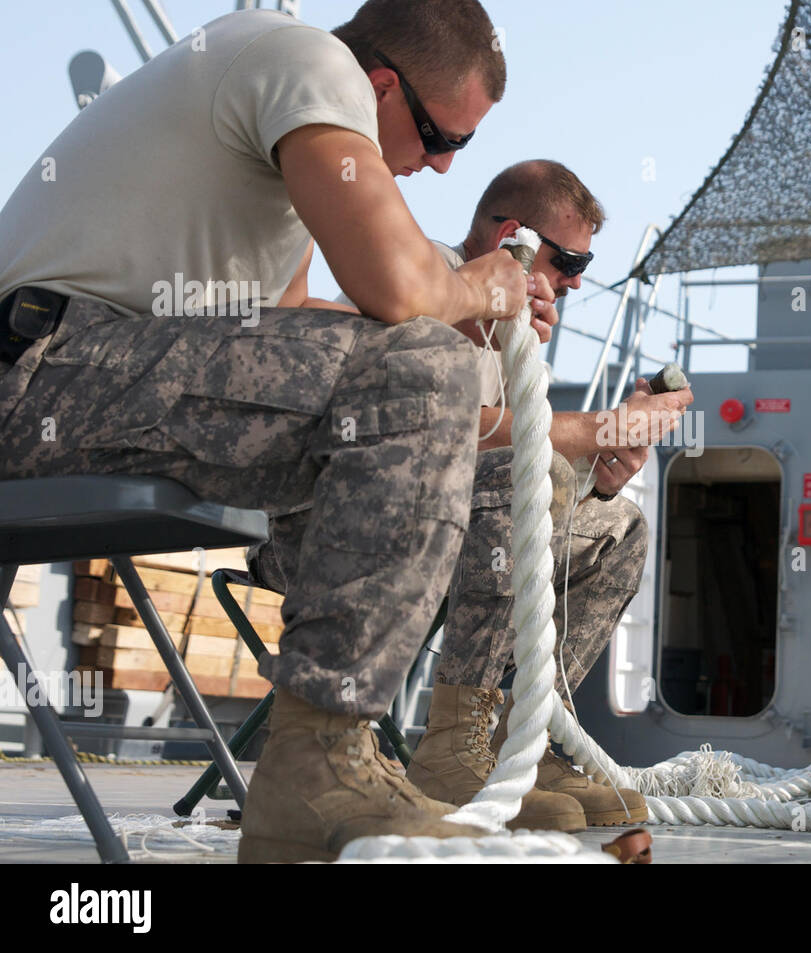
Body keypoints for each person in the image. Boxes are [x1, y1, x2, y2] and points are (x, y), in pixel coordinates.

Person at [0, 0, 553, 863]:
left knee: (410, 387)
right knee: (421, 373)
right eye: (446, 138)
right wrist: (482, 291)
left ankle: (361, 747)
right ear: (381, 85)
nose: (442, 170)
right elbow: (399, 288)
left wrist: (464, 322)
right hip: (41, 374)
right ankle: (318, 761)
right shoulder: (306, 58)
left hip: (92, 374)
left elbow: (295, 331)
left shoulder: (280, 142)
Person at [360, 161, 694, 830]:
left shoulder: (524, 328)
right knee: (534, 476)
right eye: (567, 258)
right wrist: (592, 428)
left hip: (460, 536)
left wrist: (600, 472)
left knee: (622, 527)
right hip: (362, 527)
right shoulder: (424, 275)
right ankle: (454, 747)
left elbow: (509, 451)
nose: (574, 280)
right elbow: (423, 428)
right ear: (512, 235)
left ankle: (533, 740)